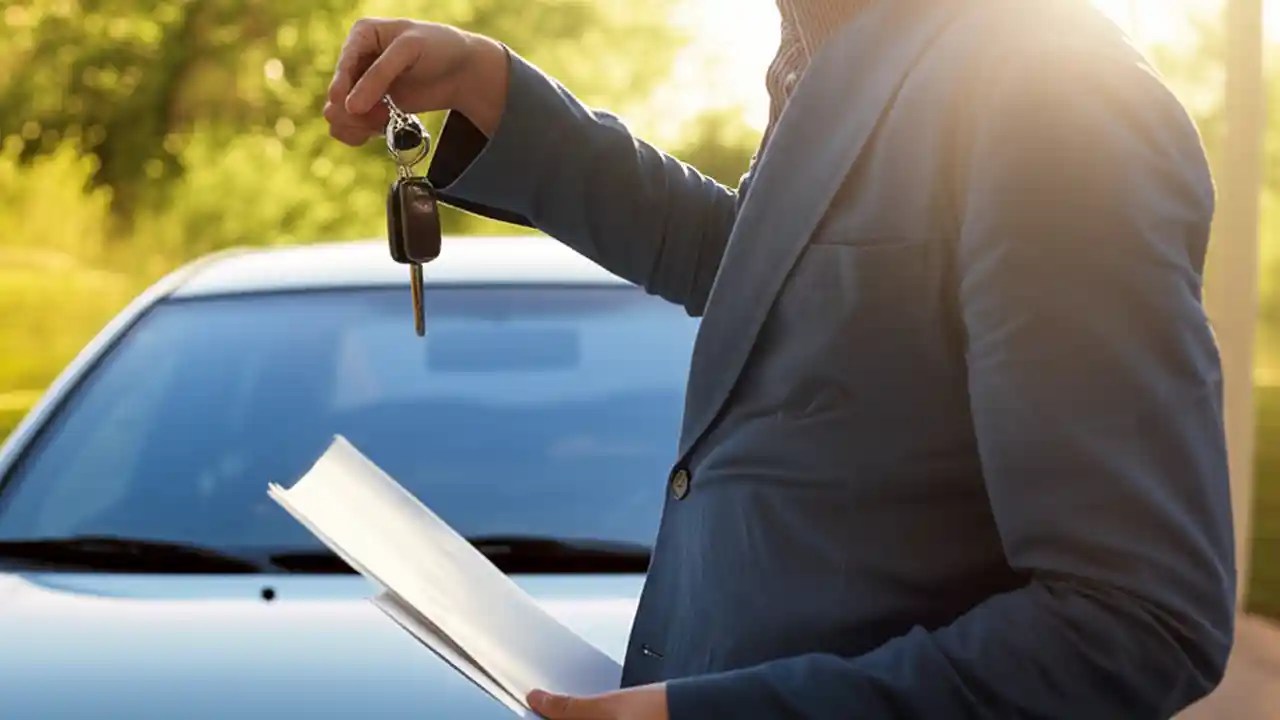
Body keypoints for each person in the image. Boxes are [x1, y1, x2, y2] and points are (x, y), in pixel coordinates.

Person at [323, 1, 1237, 717]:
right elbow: (771, 275)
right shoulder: (831, 53)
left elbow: (1137, 620)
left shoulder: (1052, 94)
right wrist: (496, 92)